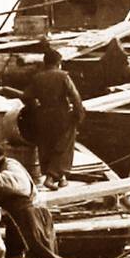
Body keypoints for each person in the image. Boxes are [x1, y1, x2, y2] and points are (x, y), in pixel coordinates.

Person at [0, 135, 58, 258]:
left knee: (38, 253)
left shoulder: (11, 165)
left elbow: (20, 185)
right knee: (15, 252)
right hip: (16, 217)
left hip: (31, 215)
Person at [21, 49, 85, 190]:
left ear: (45, 63)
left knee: (47, 146)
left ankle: (61, 179)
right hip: (61, 116)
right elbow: (75, 96)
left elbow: (25, 97)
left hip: (42, 116)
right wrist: (78, 114)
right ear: (58, 63)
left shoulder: (37, 78)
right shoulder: (63, 76)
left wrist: (34, 108)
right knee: (64, 146)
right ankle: (51, 178)